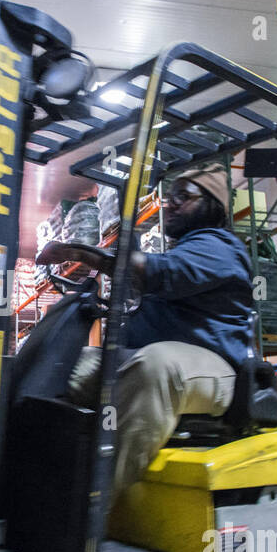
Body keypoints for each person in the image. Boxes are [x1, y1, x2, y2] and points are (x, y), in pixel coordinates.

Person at [35, 171, 255, 498]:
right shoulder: (183, 249)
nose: (171, 204)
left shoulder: (220, 247)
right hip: (157, 357)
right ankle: (44, 483)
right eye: (171, 196)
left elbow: (157, 272)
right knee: (69, 365)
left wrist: (82, 253)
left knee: (158, 366)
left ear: (212, 205)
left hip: (217, 369)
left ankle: (100, 507)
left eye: (184, 196)